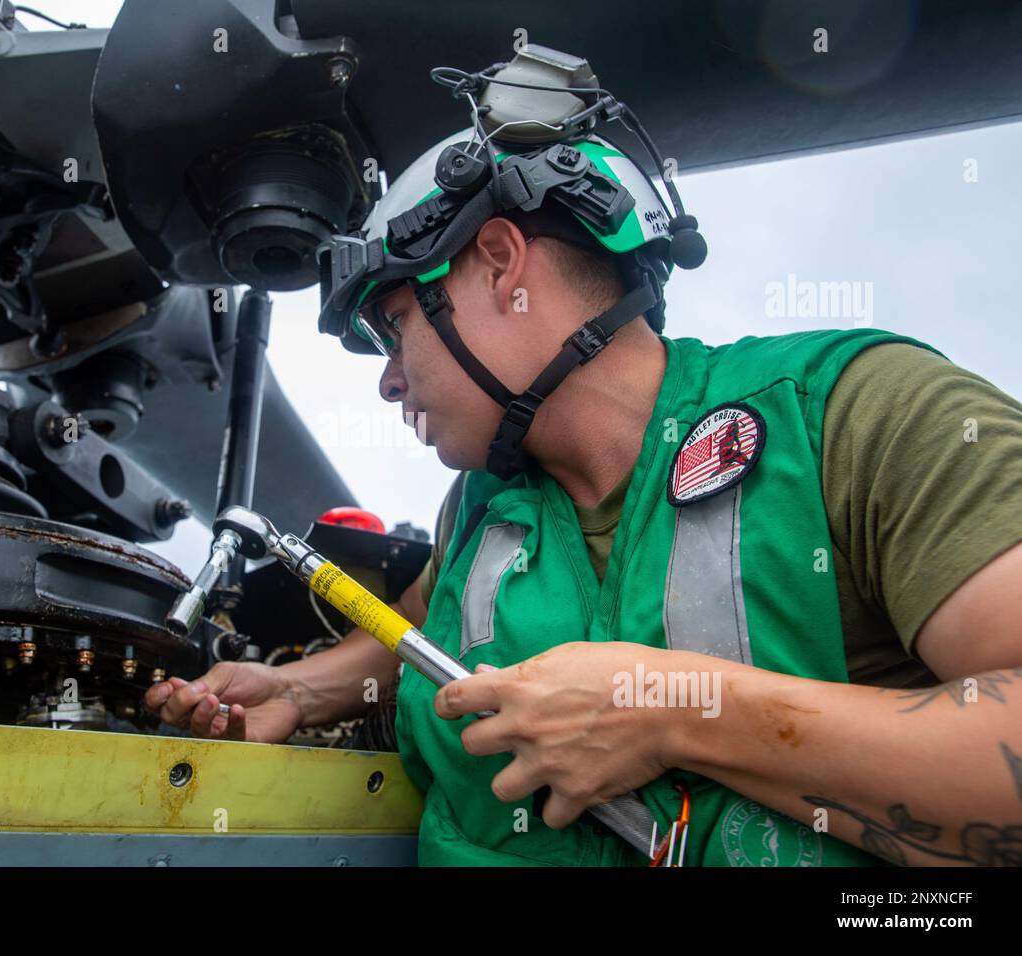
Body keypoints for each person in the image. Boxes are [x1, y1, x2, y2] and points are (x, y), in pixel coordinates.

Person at [146, 45, 1022, 866]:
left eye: (392, 326)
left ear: (499, 263)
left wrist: (669, 712)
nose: (388, 384)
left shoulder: (858, 414)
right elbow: (417, 634)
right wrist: (305, 693)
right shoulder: (479, 508)